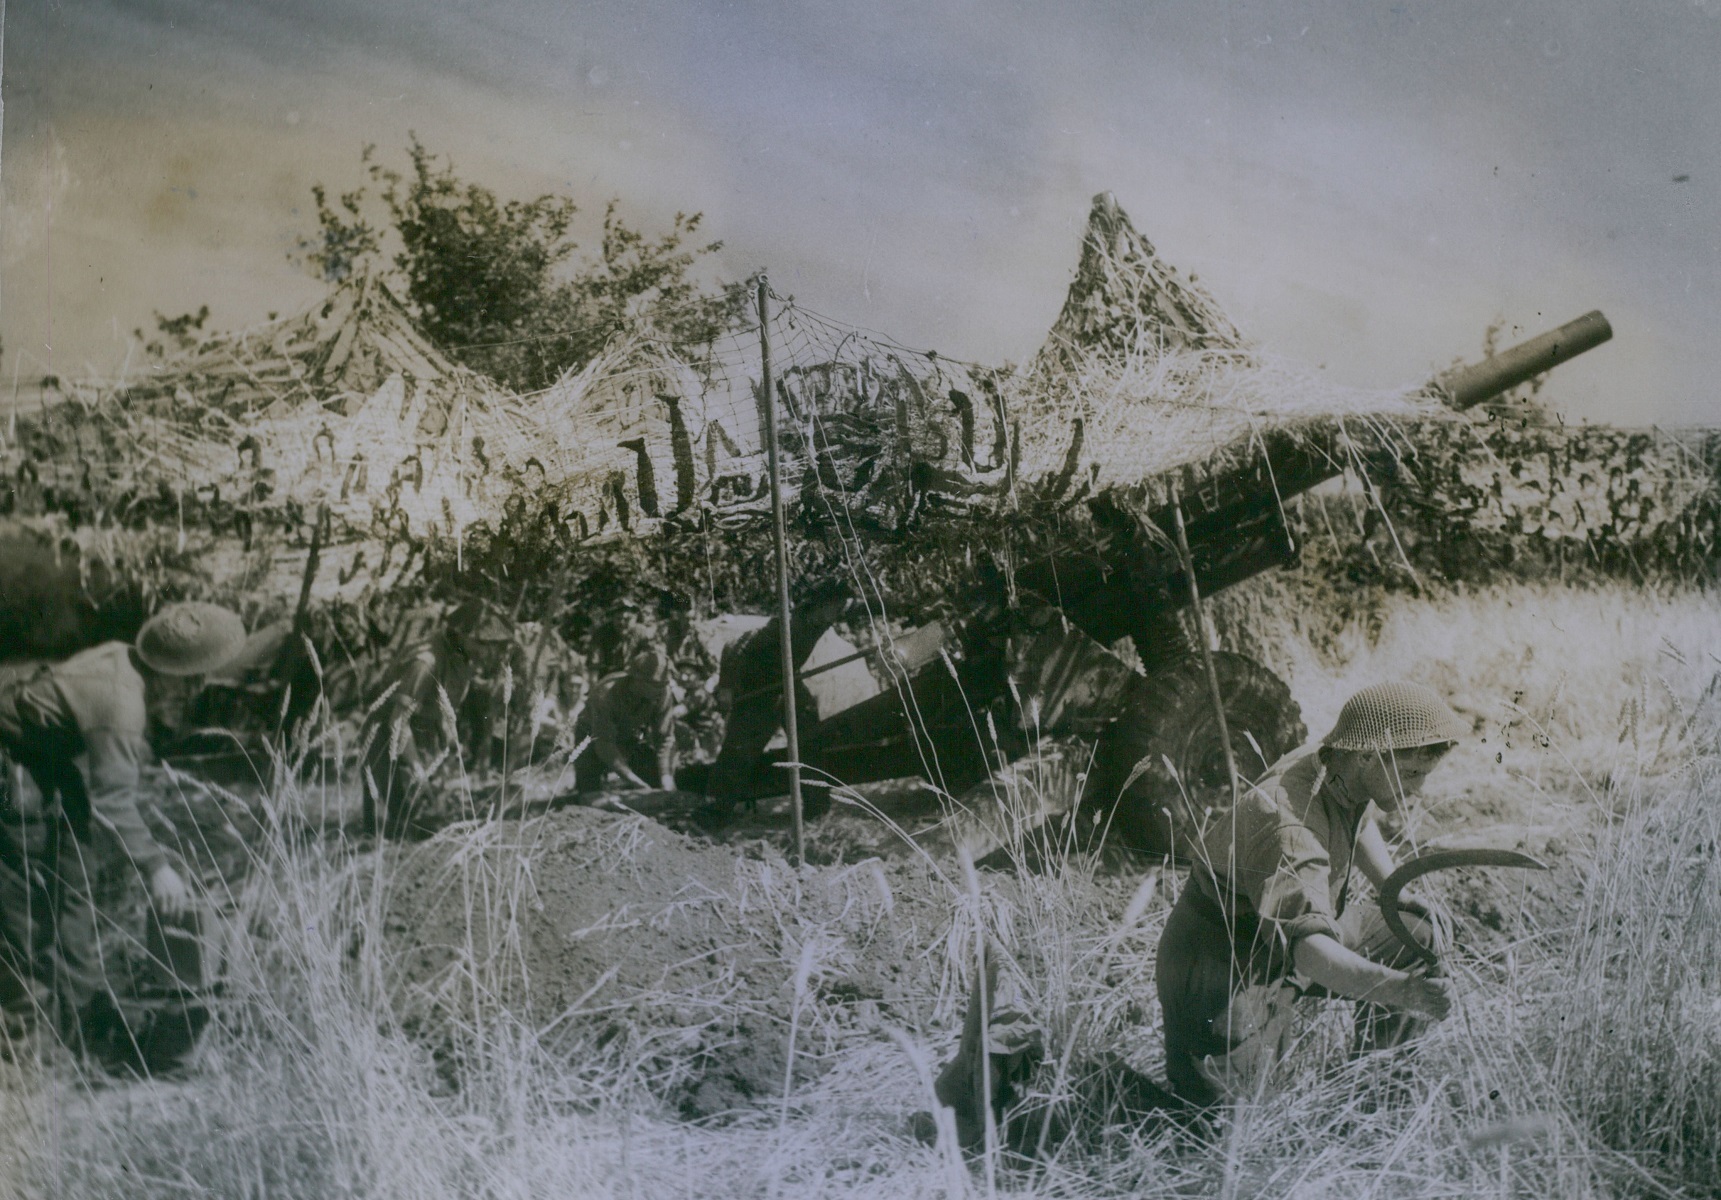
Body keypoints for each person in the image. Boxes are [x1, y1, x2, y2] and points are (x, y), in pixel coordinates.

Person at [1154, 681, 1467, 1106]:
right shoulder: (1291, 825)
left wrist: (1393, 890)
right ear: (1368, 755)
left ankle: (1376, 1102)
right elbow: (1311, 953)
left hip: (1287, 937)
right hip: (1223, 960)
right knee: (1234, 1122)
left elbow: (1358, 818)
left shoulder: (1338, 764)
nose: (1418, 789)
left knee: (1415, 934)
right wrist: (1403, 992)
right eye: (1411, 774)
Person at [0, 601, 245, 1062]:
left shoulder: (124, 657)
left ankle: (81, 1023)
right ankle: (25, 1036)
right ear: (173, 677)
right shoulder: (121, 705)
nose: (193, 691)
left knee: (75, 885)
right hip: (10, 759)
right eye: (189, 681)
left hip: (45, 758)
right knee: (24, 900)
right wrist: (157, 868)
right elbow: (113, 803)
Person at [360, 599, 514, 840]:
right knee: (404, 824)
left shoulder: (462, 656)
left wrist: (448, 742)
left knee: (433, 816)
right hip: (389, 736)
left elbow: (443, 704)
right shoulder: (425, 662)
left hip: (422, 732)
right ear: (462, 635)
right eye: (484, 644)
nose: (489, 652)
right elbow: (397, 722)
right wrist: (418, 769)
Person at [575, 621, 679, 794]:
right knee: (589, 792)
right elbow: (604, 743)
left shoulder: (663, 693)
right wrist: (632, 779)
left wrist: (666, 777)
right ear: (637, 680)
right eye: (655, 685)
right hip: (590, 734)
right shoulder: (606, 693)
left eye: (663, 685)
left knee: (655, 779)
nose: (661, 690)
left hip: (628, 734)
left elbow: (665, 739)